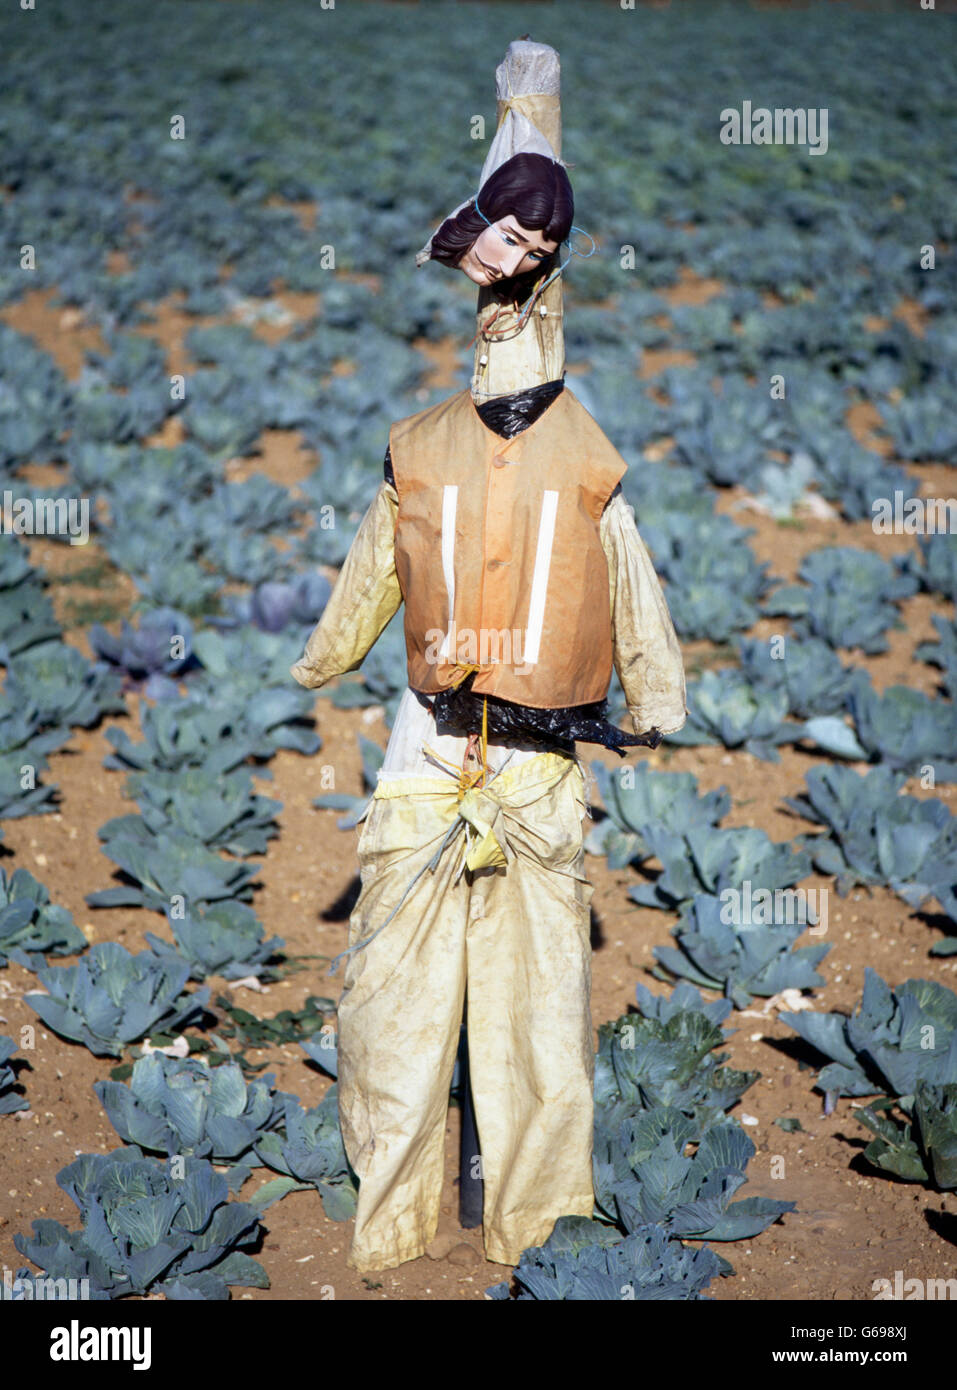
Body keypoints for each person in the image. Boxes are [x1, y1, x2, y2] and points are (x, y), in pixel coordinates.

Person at [290, 149, 687, 1273]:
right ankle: (438, 1219)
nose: (519, 270)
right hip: (450, 757)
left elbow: (628, 599)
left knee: (508, 1015)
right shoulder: (448, 453)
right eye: (511, 242)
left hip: (513, 763)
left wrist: (652, 695)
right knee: (431, 1010)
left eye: (536, 251)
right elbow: (372, 584)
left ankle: (516, 1230)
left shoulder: (567, 463)